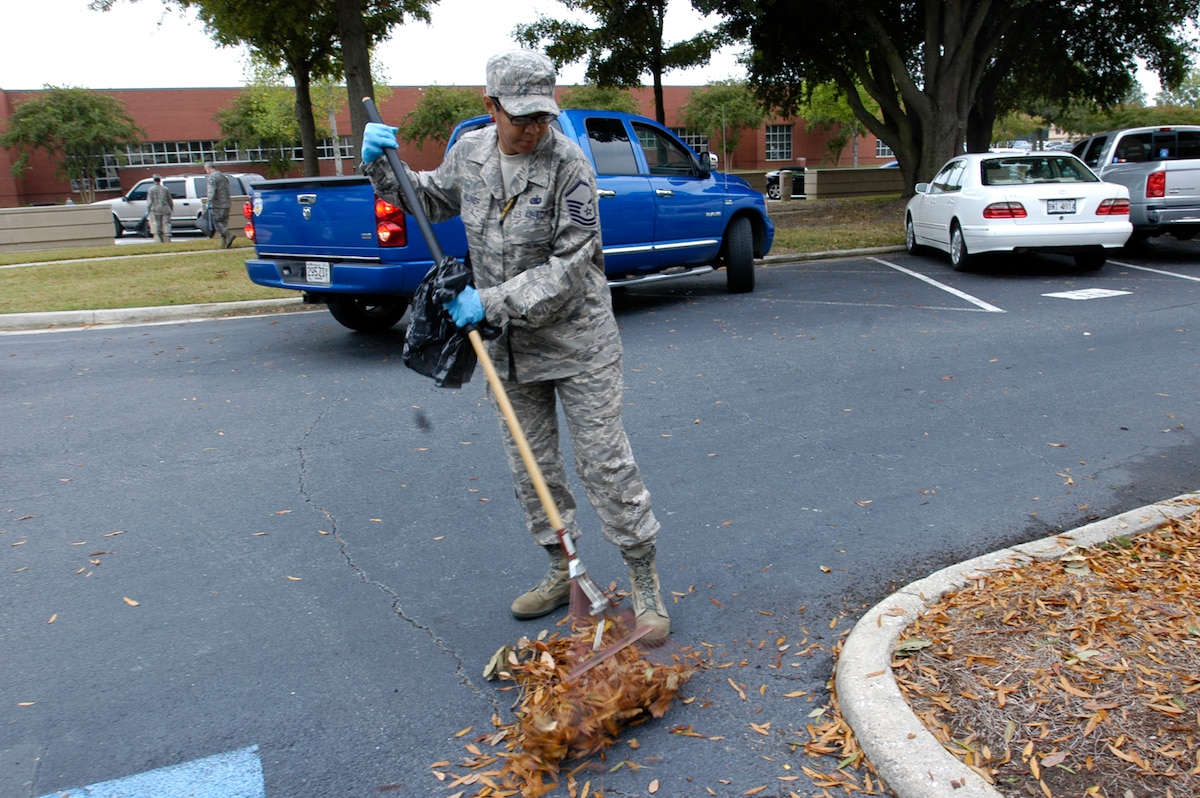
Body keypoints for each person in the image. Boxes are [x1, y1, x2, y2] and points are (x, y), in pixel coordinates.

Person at [360, 50, 670, 641]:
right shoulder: (470, 153)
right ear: (491, 107)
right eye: (520, 117)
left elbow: (572, 266)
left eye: (542, 117)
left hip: (577, 340)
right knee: (534, 472)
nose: (533, 129)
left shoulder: (569, 165)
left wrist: (490, 301)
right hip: (506, 348)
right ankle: (564, 570)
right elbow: (426, 199)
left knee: (604, 464)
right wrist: (380, 167)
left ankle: (644, 576)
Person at [204, 162, 233, 248]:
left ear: (209, 169)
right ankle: (224, 242)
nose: (206, 172)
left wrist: (208, 202)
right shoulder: (223, 176)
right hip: (227, 202)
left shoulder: (212, 177)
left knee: (217, 222)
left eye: (206, 170)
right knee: (224, 223)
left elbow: (211, 191)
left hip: (218, 204)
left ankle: (229, 235)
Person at [146, 175, 174, 243]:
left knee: (158, 224)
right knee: (167, 223)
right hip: (166, 208)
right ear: (160, 180)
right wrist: (171, 208)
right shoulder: (165, 189)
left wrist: (148, 209)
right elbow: (169, 200)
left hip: (156, 208)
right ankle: (168, 237)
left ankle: (160, 238)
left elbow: (150, 201)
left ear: (154, 181)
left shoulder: (151, 189)